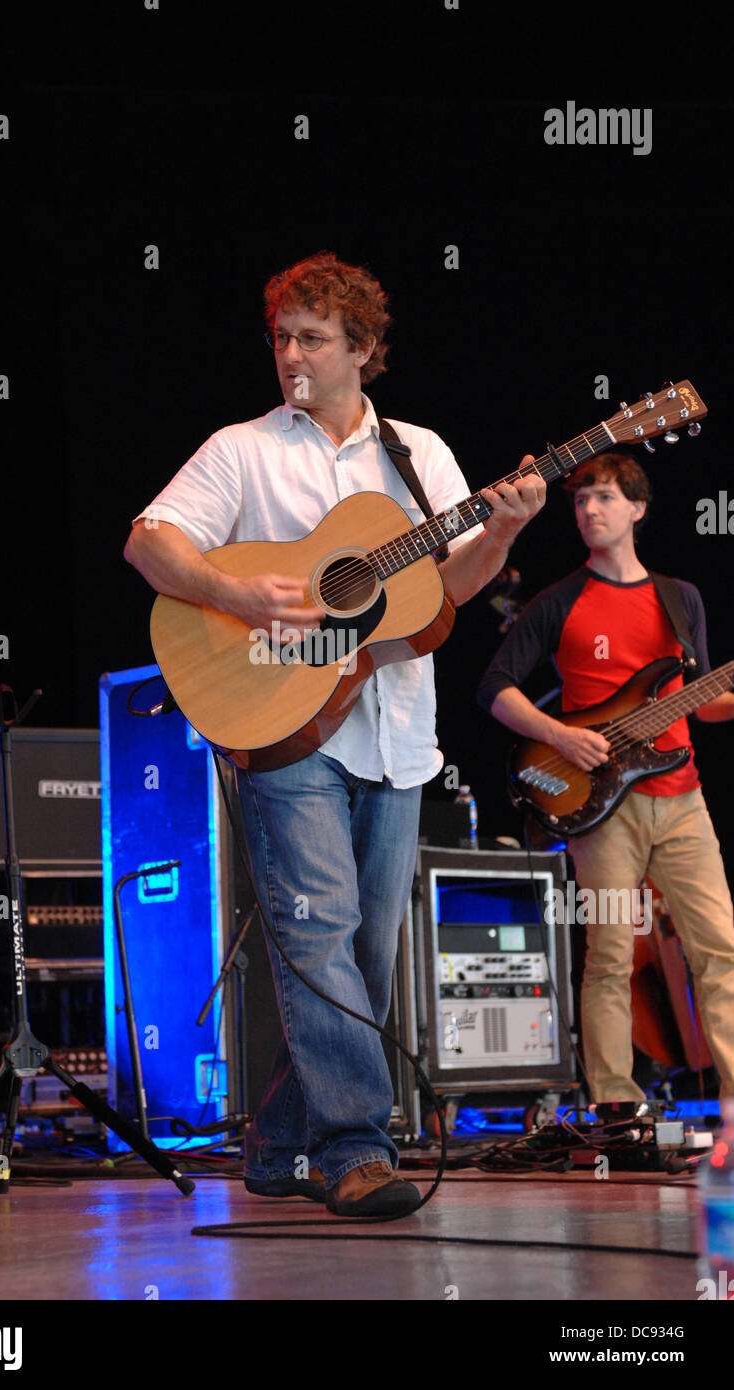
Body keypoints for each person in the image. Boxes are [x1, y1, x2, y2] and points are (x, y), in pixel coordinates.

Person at [125, 251, 545, 1215]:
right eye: (281, 336)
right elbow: (150, 541)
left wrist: (506, 530)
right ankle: (358, 1146)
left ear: (364, 349)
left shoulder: (419, 455)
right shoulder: (243, 448)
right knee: (318, 933)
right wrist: (233, 591)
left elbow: (443, 594)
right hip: (284, 728)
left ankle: (276, 1146)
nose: (290, 353)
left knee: (364, 955)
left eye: (312, 338)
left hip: (396, 731)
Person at [477, 452, 734, 1107]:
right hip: (598, 806)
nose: (589, 510)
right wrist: (559, 734)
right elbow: (493, 688)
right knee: (609, 957)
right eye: (580, 500)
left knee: (720, 953)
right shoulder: (558, 600)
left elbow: (702, 702)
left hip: (681, 799)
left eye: (604, 498)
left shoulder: (680, 599)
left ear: (637, 509)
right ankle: (616, 1109)